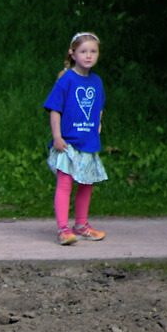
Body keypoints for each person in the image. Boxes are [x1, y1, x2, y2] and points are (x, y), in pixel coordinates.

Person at [46, 32, 108, 245]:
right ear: (73, 54)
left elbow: (99, 106)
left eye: (93, 51)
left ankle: (81, 224)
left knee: (86, 183)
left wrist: (98, 124)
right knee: (65, 183)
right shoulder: (66, 80)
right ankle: (63, 229)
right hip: (68, 142)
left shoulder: (97, 81)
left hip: (87, 143)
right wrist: (57, 136)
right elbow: (55, 110)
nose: (89, 56)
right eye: (83, 51)